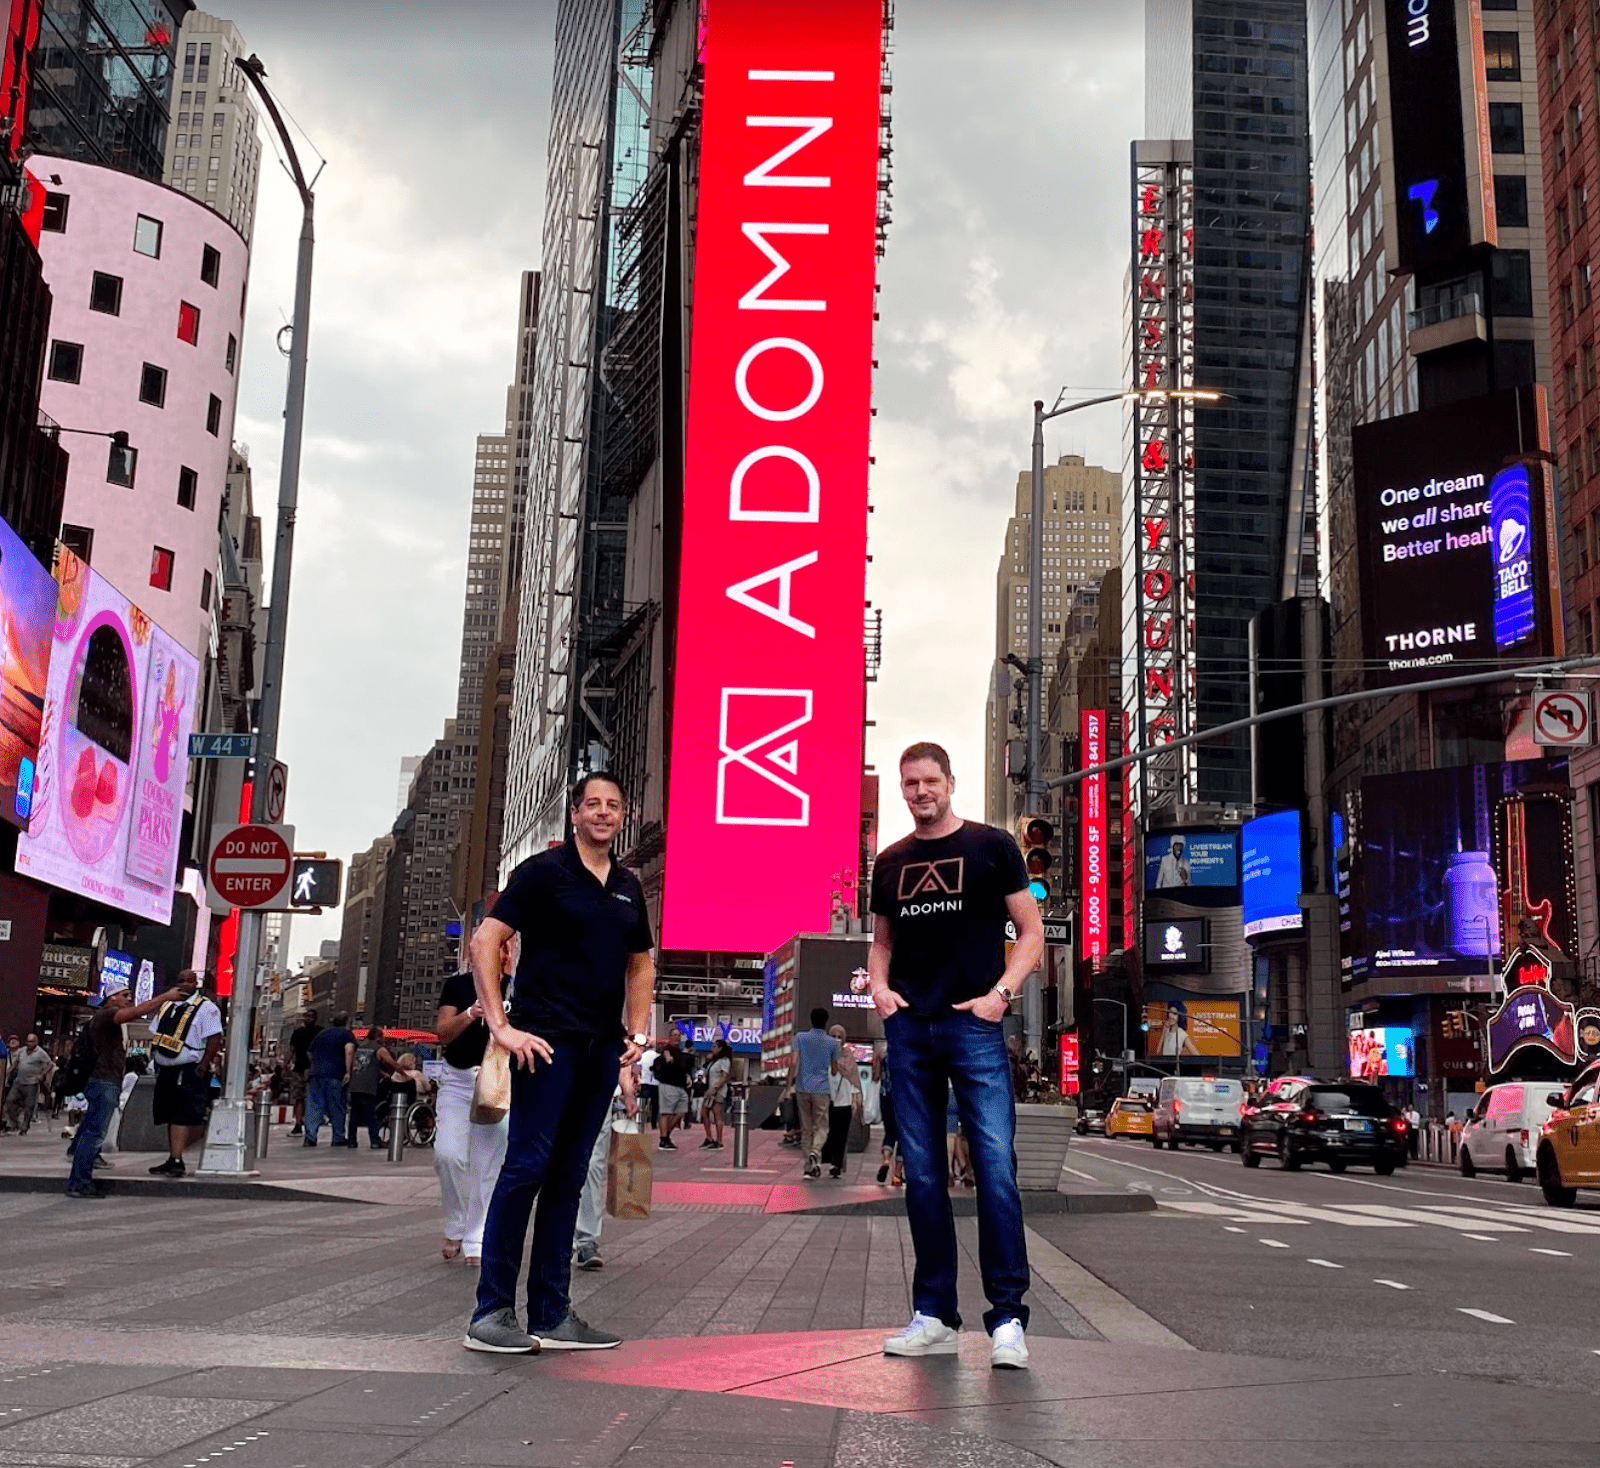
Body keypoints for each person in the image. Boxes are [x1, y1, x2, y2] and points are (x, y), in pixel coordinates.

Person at [463, 770, 655, 1355]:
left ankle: (551, 1311)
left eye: (613, 805)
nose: (602, 813)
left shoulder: (626, 885)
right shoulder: (543, 873)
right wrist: (501, 1026)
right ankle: (491, 1311)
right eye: (592, 804)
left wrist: (639, 1036)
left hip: (601, 1046)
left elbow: (641, 963)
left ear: (622, 816)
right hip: (545, 1042)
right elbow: (485, 940)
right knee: (528, 1168)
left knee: (570, 1177)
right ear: (574, 813)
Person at [868, 741, 1042, 1371]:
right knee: (922, 1173)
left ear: (950, 782)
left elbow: (1032, 933)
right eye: (909, 783)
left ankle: (1008, 1321)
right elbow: (880, 945)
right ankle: (935, 1312)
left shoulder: (992, 846)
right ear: (902, 788)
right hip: (911, 1030)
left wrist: (1001, 996)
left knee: (995, 1167)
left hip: (975, 1027)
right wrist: (882, 990)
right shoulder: (888, 863)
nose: (920, 792)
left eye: (929, 781)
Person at [67, 980, 188, 1198]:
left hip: (104, 1081)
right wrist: (164, 997)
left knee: (90, 1131)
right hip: (103, 1081)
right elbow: (135, 1012)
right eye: (125, 994)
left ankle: (81, 1175)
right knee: (94, 1134)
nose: (129, 998)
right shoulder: (108, 1015)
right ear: (112, 998)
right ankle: (79, 1182)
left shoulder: (108, 1019)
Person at [435, 940, 513, 1263]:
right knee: (447, 1154)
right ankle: (456, 1221)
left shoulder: (514, 989)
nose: (496, 955)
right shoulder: (457, 986)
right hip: (458, 1079)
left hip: (495, 1081)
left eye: (502, 949)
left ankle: (475, 1235)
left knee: (486, 1165)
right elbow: (442, 1032)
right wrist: (471, 1013)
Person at [147, 972, 223, 1178]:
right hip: (165, 1067)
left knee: (181, 1114)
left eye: (189, 981)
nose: (184, 985)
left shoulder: (206, 1007)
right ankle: (173, 1158)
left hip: (189, 1068)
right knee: (168, 1113)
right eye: (180, 981)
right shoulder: (168, 1005)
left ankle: (178, 1161)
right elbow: (155, 1034)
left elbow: (214, 1037)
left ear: (196, 983)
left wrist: (204, 1064)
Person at [573, 1063, 637, 1271]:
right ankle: (559, 1237)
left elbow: (620, 1050)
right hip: (555, 1082)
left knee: (591, 1166)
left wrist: (628, 1091)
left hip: (598, 1090)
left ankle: (586, 1240)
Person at [785, 1008, 840, 1179]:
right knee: (822, 1126)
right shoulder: (833, 1043)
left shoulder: (800, 1038)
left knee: (806, 1128)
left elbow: (793, 1063)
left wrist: (788, 1087)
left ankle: (808, 1168)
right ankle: (815, 1152)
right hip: (821, 1090)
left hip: (802, 1088)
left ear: (811, 1019)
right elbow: (834, 1070)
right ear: (826, 1021)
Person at [304, 1011, 356, 1146]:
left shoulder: (322, 1033)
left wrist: (316, 1064)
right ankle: (338, 1137)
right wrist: (348, 1071)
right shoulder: (346, 1034)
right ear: (346, 1021)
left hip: (316, 1074)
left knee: (314, 1105)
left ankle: (310, 1136)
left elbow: (309, 1052)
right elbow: (349, 1050)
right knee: (337, 1106)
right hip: (335, 1074)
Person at [819, 1025, 863, 1178]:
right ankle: (823, 1157)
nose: (837, 1039)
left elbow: (854, 1079)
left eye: (839, 1037)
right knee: (828, 1132)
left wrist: (856, 1100)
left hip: (844, 1102)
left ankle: (836, 1165)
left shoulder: (848, 1055)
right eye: (834, 1036)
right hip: (827, 1100)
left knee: (841, 1134)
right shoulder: (824, 1054)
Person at [347, 1027, 397, 1149]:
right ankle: (374, 1141)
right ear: (378, 1037)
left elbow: (362, 1065)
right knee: (371, 1114)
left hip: (355, 1084)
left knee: (354, 1114)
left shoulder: (360, 1048)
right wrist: (404, 1072)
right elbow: (392, 1063)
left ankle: (352, 1141)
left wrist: (382, 1074)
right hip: (368, 1086)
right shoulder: (380, 1049)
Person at [3, 1035, 51, 1135]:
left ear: (36, 1042)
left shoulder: (40, 1052)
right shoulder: (22, 1051)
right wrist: (6, 1072)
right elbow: (15, 1063)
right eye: (28, 1041)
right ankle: (15, 1122)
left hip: (31, 1082)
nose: (29, 1044)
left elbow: (50, 1064)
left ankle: (25, 1127)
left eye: (31, 1041)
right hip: (19, 1081)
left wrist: (43, 1074)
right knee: (9, 1101)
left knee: (29, 1106)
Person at [651, 1030, 690, 1150]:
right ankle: (664, 1139)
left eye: (678, 1035)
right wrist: (667, 1057)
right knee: (666, 1112)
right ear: (670, 1037)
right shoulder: (667, 1049)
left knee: (682, 1111)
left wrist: (687, 1076)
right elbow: (665, 1053)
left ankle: (666, 1134)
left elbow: (682, 1067)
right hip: (668, 1084)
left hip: (680, 1085)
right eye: (674, 1035)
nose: (677, 1037)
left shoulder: (680, 1052)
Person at [286, 1009, 321, 1136]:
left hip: (314, 1070)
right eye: (307, 1017)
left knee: (312, 1098)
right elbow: (292, 1049)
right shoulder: (298, 1033)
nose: (309, 1019)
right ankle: (299, 1123)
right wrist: (286, 1064)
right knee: (298, 1097)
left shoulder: (319, 1032)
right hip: (300, 1068)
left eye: (311, 1017)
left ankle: (310, 1124)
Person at [873, 1042, 902, 1186]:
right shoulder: (910, 1050)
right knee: (903, 1135)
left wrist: (877, 1061)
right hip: (904, 1098)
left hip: (886, 1096)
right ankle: (897, 1175)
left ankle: (885, 1161)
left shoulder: (883, 1052)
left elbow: (876, 1076)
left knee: (890, 1131)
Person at [700, 1038, 733, 1149]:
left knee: (716, 1114)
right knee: (704, 1112)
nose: (713, 1049)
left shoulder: (724, 1061)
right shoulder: (714, 1061)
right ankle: (709, 1137)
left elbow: (724, 1076)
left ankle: (719, 1140)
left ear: (720, 1048)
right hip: (709, 1090)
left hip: (717, 1091)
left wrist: (716, 1087)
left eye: (715, 1046)